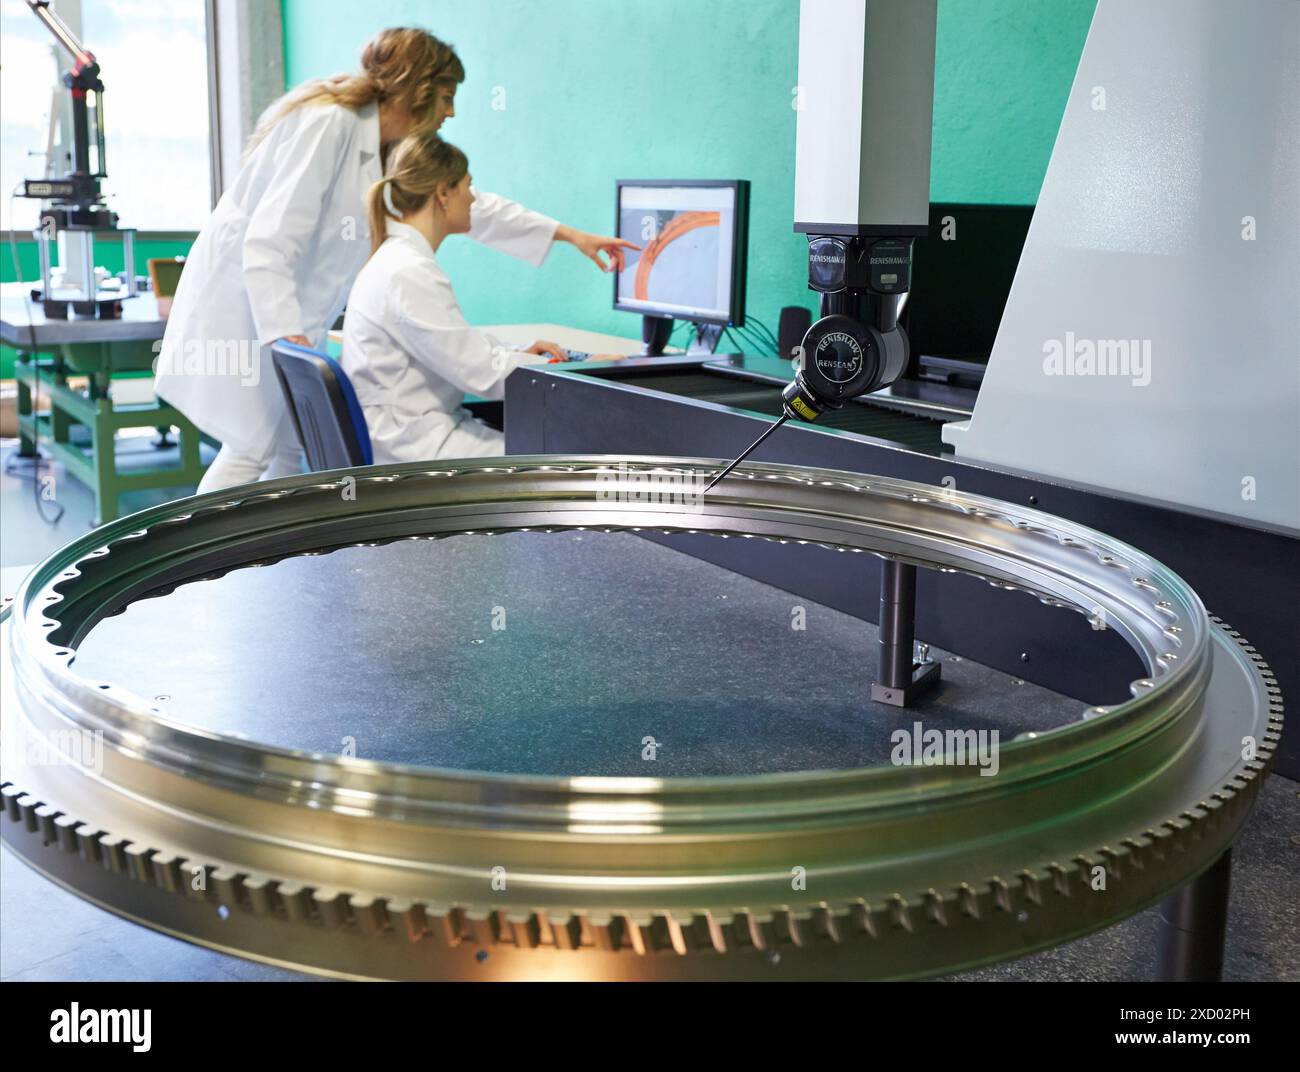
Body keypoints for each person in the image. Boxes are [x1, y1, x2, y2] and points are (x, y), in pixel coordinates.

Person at [154, 26, 634, 492]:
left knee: (281, 450)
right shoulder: (332, 124)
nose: (451, 111)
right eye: (446, 96)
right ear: (417, 90)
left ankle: (260, 564)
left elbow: (470, 203)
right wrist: (290, 341)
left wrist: (569, 235)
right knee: (250, 449)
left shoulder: (383, 146)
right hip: (249, 308)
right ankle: (202, 568)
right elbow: (269, 241)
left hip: (286, 315)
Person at [343, 131, 622, 461]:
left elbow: (456, 349)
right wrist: (582, 369)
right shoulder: (407, 272)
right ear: (443, 193)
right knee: (576, 460)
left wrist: (519, 353)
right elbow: (486, 375)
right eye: (467, 186)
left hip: (410, 431)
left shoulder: (396, 260)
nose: (473, 199)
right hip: (416, 446)